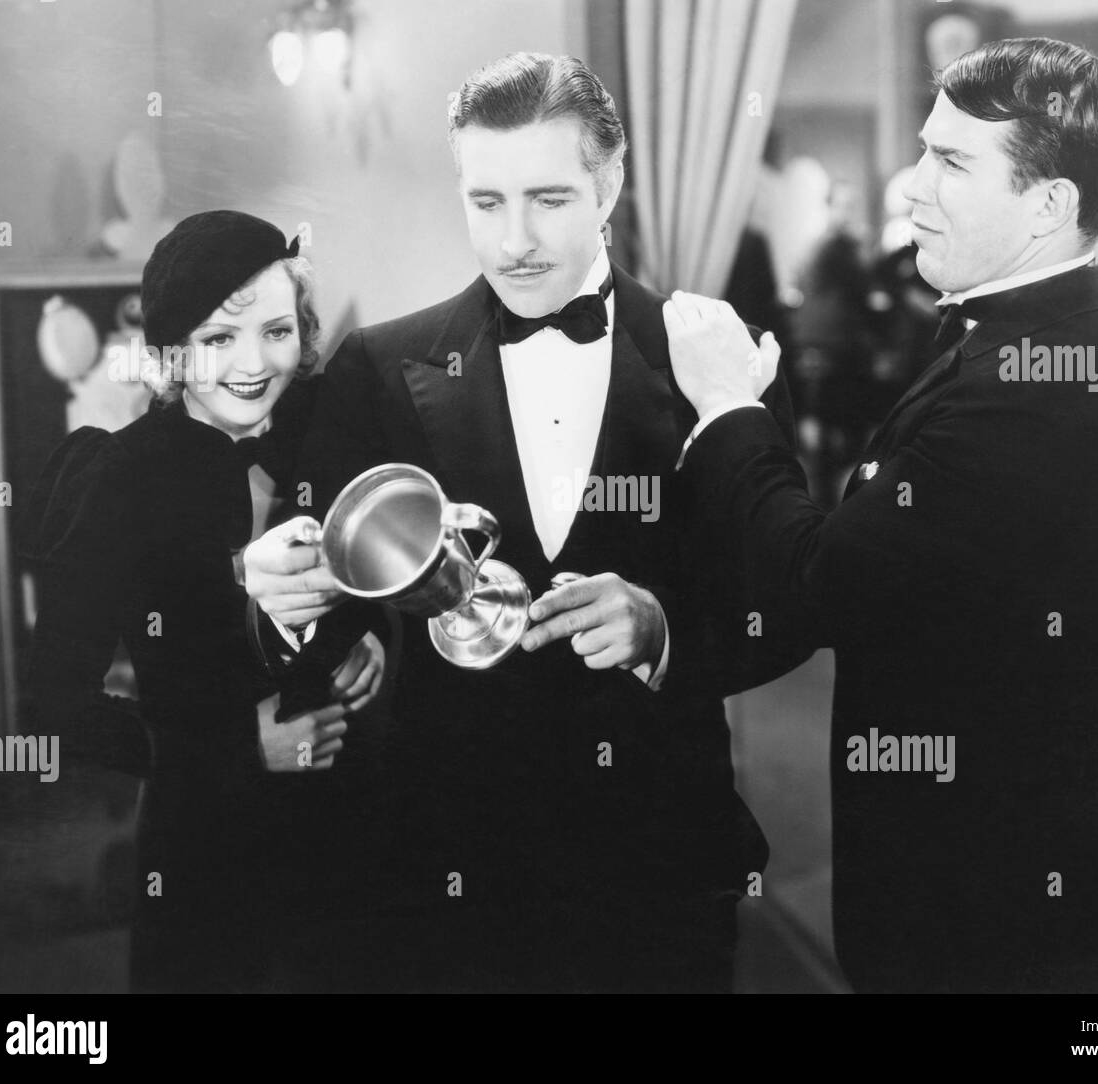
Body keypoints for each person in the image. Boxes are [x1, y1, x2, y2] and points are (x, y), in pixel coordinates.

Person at [664, 38, 1098, 993]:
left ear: (1050, 206)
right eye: (925, 150)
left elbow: (814, 587)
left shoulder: (1028, 384)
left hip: (991, 920)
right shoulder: (1050, 334)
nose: (912, 189)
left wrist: (728, 408)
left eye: (953, 163)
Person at [243, 53, 805, 992]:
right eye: (485, 202)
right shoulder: (376, 369)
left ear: (609, 183)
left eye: (548, 198)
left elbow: (785, 603)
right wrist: (286, 597)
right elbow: (329, 623)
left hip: (658, 867)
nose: (514, 242)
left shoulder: (711, 359)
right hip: (446, 869)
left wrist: (662, 632)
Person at [21, 210, 390, 993]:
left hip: (354, 844)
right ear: (168, 354)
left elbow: (378, 581)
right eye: (218, 339)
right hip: (205, 854)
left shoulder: (330, 434)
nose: (254, 364)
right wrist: (233, 747)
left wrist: (371, 633)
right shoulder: (118, 480)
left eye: (276, 331)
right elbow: (50, 707)